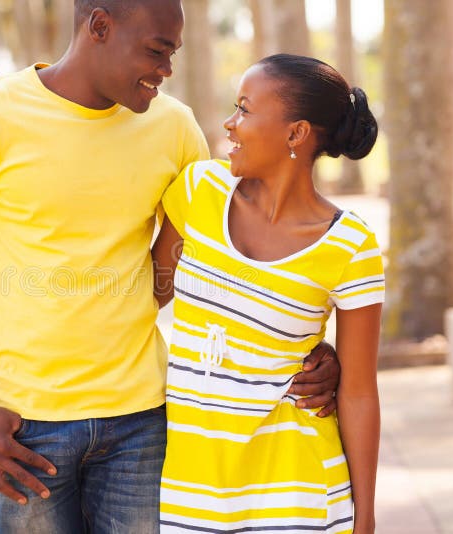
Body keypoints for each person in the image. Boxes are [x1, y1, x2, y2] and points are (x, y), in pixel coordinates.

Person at [0, 2, 341, 532]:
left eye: (173, 53)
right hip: (24, 429)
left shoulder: (175, 129)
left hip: (144, 422)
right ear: (99, 26)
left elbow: (230, 264)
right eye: (157, 50)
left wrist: (307, 348)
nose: (167, 69)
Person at [152, 54, 383, 534]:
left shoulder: (350, 245)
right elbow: (147, 292)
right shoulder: (199, 191)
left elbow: (360, 393)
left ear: (296, 133)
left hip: (300, 496)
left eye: (245, 109)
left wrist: (366, 521)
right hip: (191, 493)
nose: (229, 123)